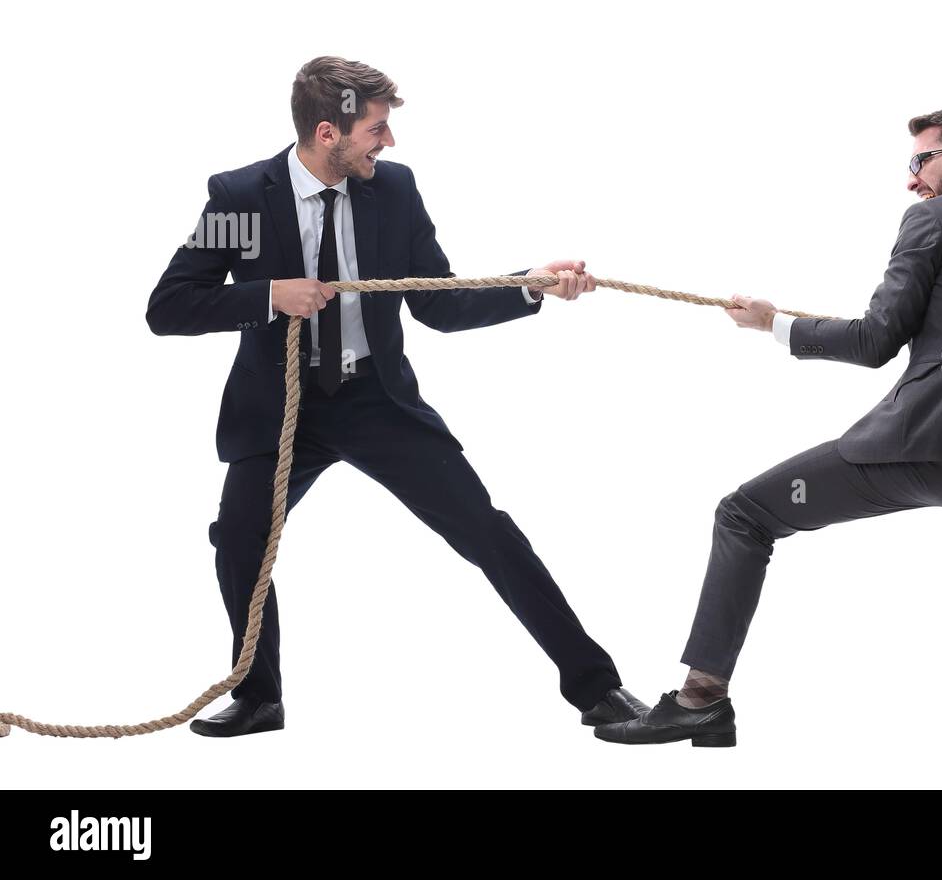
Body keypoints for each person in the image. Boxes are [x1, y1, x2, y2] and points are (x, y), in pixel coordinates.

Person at [146, 56, 647, 737]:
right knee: (238, 539)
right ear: (329, 134)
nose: (389, 143)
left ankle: (598, 690)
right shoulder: (243, 198)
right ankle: (261, 698)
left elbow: (437, 303)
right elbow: (171, 305)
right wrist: (268, 296)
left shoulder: (394, 190)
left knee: (487, 532)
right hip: (281, 411)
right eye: (377, 130)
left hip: (374, 400)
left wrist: (530, 284)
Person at [594, 106, 942, 747]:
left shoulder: (932, 220)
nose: (912, 180)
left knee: (744, 516)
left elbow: (873, 341)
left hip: (915, 451)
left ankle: (701, 699)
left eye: (920, 161)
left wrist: (772, 324)